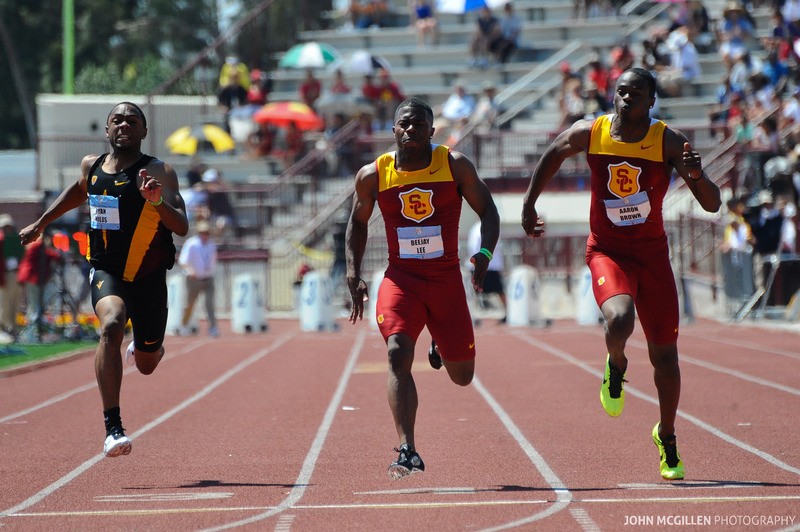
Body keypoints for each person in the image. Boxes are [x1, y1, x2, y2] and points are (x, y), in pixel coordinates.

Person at [521, 68, 721, 480]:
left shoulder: (667, 140)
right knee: (619, 318)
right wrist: (528, 203)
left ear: (651, 102)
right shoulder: (592, 132)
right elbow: (554, 152)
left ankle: (665, 435)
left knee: (666, 357)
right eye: (621, 92)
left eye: (636, 93)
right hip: (607, 252)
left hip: (652, 258)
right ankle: (615, 364)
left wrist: (697, 175)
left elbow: (713, 204)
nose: (626, 98)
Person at [19, 102, 188, 458]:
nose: (124, 124)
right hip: (106, 269)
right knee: (111, 324)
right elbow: (79, 190)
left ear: (143, 131)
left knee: (146, 364)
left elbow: (182, 227)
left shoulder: (159, 170)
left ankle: (146, 346)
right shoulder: (91, 166)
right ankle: (113, 428)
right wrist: (43, 222)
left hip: (149, 275)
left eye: (132, 121)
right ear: (108, 129)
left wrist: (156, 201)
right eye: (117, 120)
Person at [346, 97, 500, 480]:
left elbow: (489, 211)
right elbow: (357, 223)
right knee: (397, 351)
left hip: (446, 279)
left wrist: (483, 253)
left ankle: (439, 343)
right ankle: (407, 448)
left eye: (419, 124)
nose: (410, 129)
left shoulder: (453, 164)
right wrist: (353, 272)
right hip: (402, 278)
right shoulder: (374, 174)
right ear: (394, 129)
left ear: (432, 131)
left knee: (462, 376)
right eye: (404, 123)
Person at [178, 220, 218, 337]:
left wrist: (210, 271)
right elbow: (183, 260)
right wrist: (191, 271)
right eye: (203, 232)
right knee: (190, 303)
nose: (205, 235)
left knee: (210, 304)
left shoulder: (211, 245)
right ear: (199, 233)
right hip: (194, 279)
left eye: (207, 232)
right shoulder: (192, 244)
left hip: (208, 278)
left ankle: (213, 328)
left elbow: (212, 261)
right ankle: (184, 325)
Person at [468, 220, 507, 322]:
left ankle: (508, 312)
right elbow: (473, 245)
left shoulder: (490, 225)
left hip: (490, 264)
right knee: (474, 290)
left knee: (498, 289)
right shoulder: (477, 227)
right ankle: (473, 314)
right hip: (480, 264)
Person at [0, 214, 24, 340]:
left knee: (15, 302)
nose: (7, 229)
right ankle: (3, 328)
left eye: (9, 227)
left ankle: (13, 328)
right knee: (4, 302)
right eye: (5, 227)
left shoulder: (17, 241)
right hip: (5, 275)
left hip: (16, 274)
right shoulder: (1, 240)